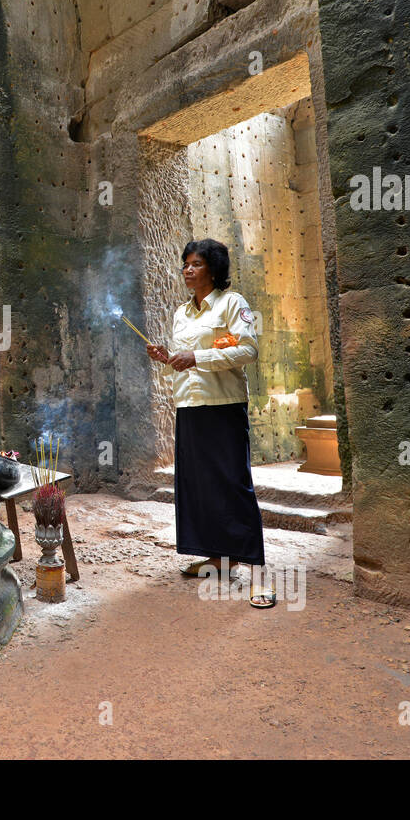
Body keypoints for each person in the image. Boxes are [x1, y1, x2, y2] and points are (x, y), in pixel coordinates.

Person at [145, 238, 274, 608]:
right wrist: (167, 357)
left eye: (196, 264)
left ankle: (259, 573)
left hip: (224, 405)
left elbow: (248, 350)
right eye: (185, 263)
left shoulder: (233, 304)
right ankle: (220, 558)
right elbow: (186, 360)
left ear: (214, 269)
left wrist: (196, 356)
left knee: (234, 485)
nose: (188, 269)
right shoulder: (181, 313)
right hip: (190, 406)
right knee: (199, 485)